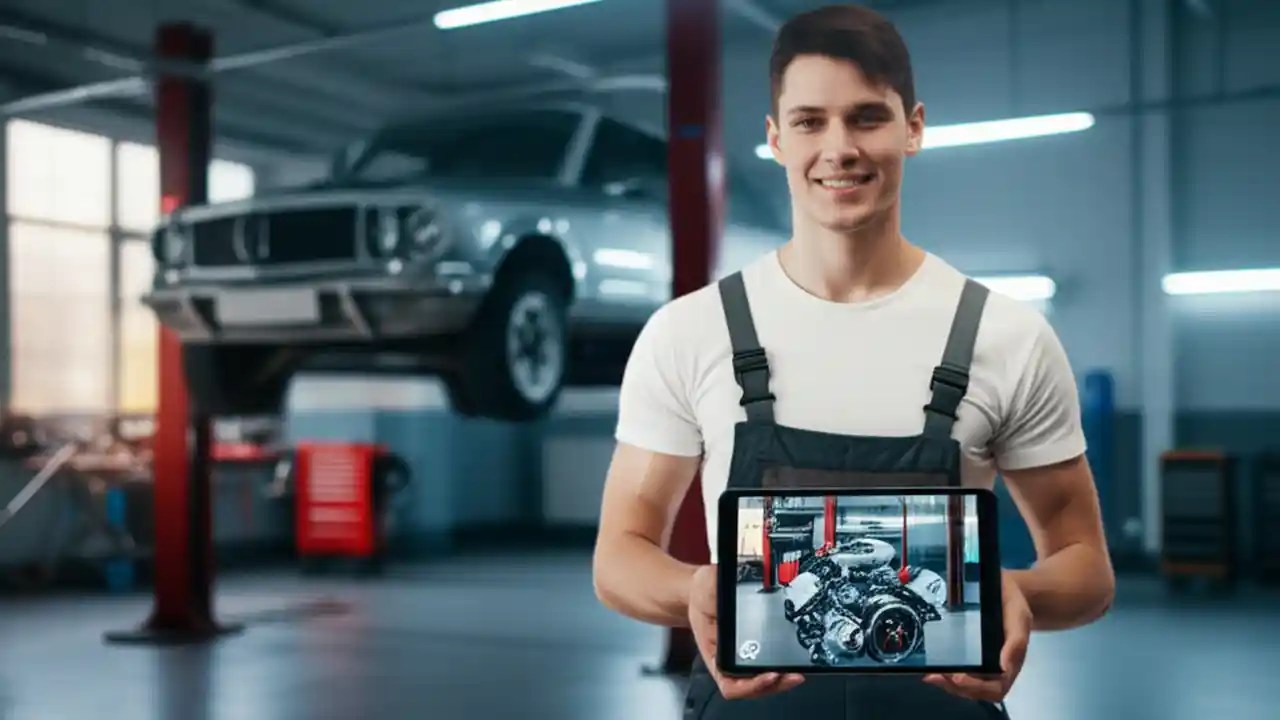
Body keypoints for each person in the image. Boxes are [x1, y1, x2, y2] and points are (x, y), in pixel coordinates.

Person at [591, 4, 1115, 719]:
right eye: (809, 121)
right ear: (776, 139)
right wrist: (691, 591)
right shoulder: (690, 332)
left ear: (914, 127)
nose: (838, 147)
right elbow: (618, 554)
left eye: (867, 117)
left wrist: (1018, 591)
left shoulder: (1005, 336)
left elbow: (1086, 564)